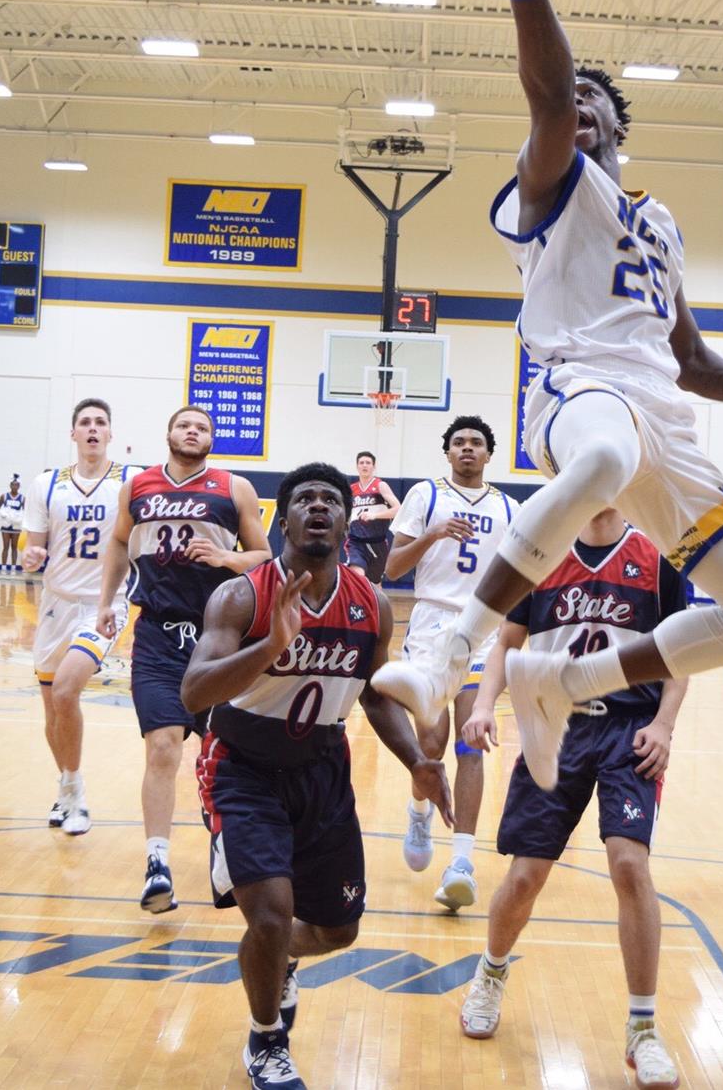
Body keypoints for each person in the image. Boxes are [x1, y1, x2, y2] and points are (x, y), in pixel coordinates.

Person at [372, 0, 723, 790]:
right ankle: (452, 658)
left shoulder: (659, 221)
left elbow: (687, 355)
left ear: (620, 123)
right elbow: (547, 97)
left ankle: (561, 680)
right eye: (568, 93)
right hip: (577, 387)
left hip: (663, 416)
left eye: (594, 96)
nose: (575, 101)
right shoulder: (555, 181)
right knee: (600, 460)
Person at [181, 463, 451, 1090]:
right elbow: (194, 691)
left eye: (332, 499)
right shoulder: (242, 596)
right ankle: (267, 1038)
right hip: (242, 769)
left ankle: (280, 961)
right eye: (305, 499)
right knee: (271, 915)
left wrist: (417, 761)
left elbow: (375, 695)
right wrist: (269, 648)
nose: (319, 506)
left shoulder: (371, 604)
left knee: (337, 930)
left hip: (323, 771)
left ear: (348, 523)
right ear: (285, 520)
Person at [457, 507, 688, 1089]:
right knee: (525, 877)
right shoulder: (540, 556)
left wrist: (664, 725)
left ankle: (643, 1029)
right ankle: (490, 974)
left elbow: (681, 654)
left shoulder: (657, 559)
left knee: (629, 864)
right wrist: (483, 705)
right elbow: (508, 643)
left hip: (630, 728)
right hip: (553, 726)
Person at [95, 406, 270, 912]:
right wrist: (106, 602)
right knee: (163, 747)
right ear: (169, 433)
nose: (193, 432)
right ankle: (157, 864)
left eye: (202, 428)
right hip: (156, 633)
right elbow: (119, 542)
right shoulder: (137, 487)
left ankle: (224, 847)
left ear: (212, 439)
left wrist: (227, 558)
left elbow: (264, 556)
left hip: (219, 637)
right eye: (184, 425)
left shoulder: (234, 488)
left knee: (220, 754)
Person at [384, 416, 517, 909]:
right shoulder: (425, 495)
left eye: (476, 443)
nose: (467, 449)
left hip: (482, 628)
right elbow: (393, 567)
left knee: (471, 742)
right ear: (447, 453)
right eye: (458, 442)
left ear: (489, 454)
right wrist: (434, 535)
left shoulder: (510, 508)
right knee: (431, 743)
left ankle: (462, 862)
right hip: (432, 625)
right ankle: (420, 809)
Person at [30, 400, 135, 836]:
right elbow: (34, 546)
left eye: (100, 422)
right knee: (53, 713)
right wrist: (32, 555)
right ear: (73, 433)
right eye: (85, 423)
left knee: (67, 690)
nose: (93, 428)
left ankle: (76, 794)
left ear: (110, 433)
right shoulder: (47, 484)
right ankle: (66, 788)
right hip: (55, 604)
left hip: (103, 605)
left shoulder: (130, 482)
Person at [344, 451, 400, 585]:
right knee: (358, 577)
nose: (364, 465)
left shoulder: (380, 485)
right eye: (361, 463)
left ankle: (374, 598)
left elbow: (398, 509)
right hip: (356, 542)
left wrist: (374, 515)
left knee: (375, 585)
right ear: (357, 466)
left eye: (368, 463)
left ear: (373, 467)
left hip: (377, 543)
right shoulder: (351, 489)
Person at [0, 475, 27, 575]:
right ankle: (3, 567)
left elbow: (25, 511)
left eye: (16, 485)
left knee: (14, 547)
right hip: (6, 525)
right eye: (13, 484)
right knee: (5, 546)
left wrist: (16, 516)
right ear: (10, 485)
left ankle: (13, 568)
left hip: (16, 526)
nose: (14, 486)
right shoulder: (4, 496)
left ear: (19, 486)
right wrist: (6, 514)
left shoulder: (22, 498)